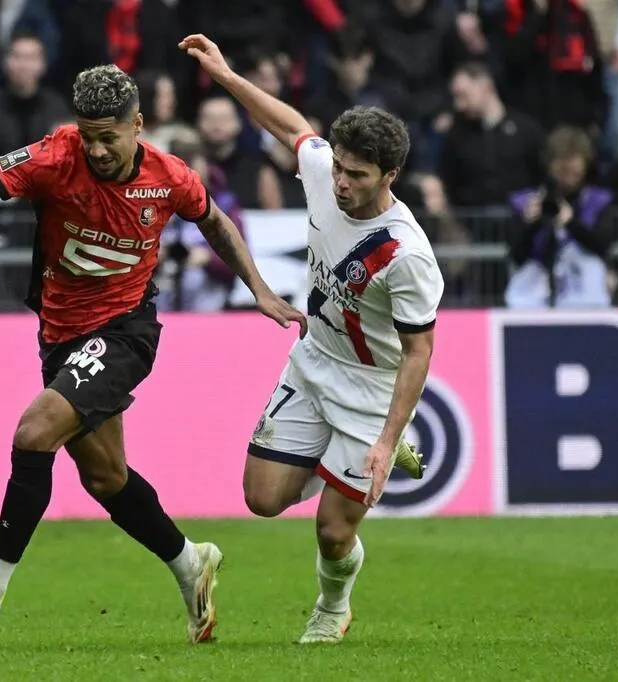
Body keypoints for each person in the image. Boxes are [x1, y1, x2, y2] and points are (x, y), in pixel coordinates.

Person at [0, 64, 306, 643]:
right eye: (87, 135)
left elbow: (215, 223)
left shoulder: (170, 177)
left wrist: (261, 292)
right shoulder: (55, 156)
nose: (96, 149)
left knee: (34, 430)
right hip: (60, 335)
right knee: (106, 478)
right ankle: (190, 561)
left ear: (136, 125)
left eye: (108, 136)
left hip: (125, 333)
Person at [181, 34, 443, 643]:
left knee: (331, 531)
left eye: (358, 175)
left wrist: (385, 438)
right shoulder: (326, 169)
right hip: (313, 360)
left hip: (371, 391)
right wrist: (226, 75)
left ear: (391, 175)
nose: (342, 183)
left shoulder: (405, 255)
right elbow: (291, 125)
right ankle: (340, 469)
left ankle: (333, 605)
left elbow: (418, 351)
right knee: (261, 498)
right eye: (341, 168)